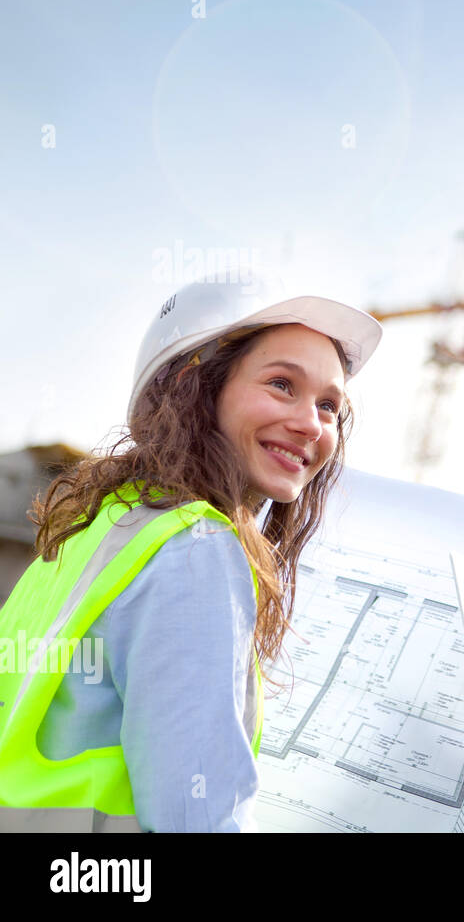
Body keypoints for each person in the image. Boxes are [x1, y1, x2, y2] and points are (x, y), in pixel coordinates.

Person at [0, 274, 381, 831]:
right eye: (281, 384)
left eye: (329, 405)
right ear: (194, 387)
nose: (310, 424)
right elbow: (195, 817)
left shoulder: (100, 525)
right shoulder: (195, 548)